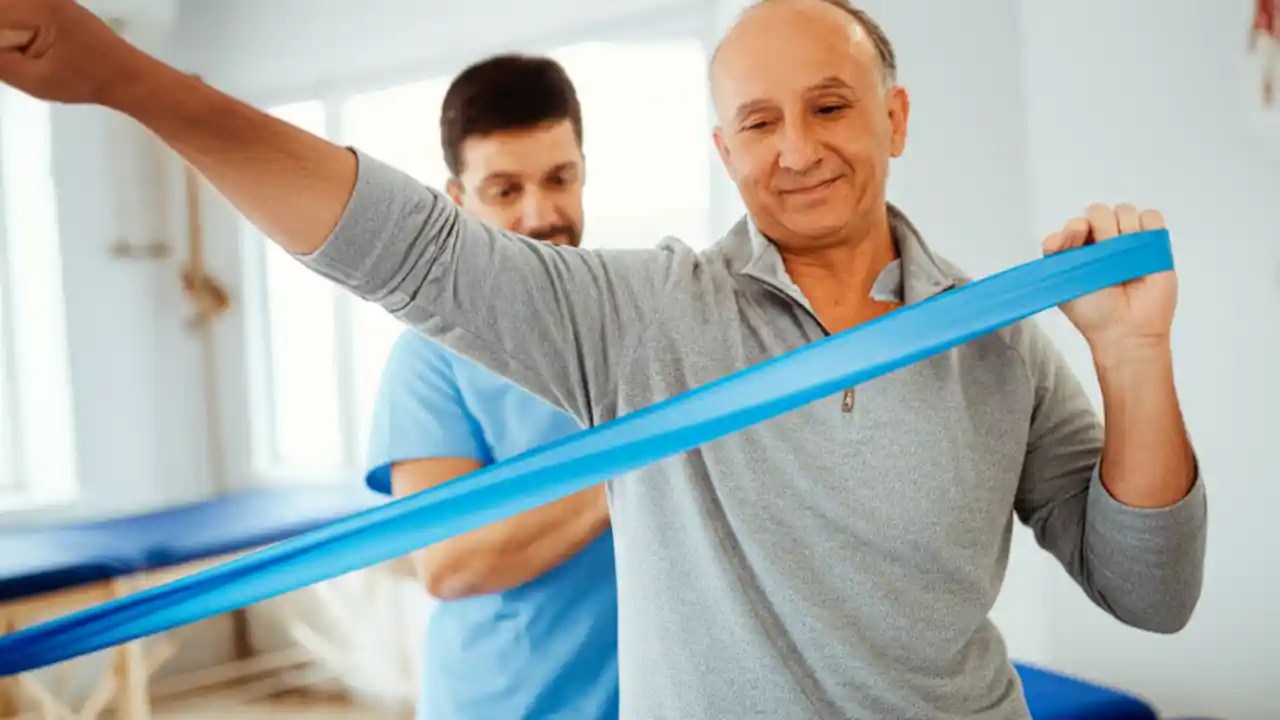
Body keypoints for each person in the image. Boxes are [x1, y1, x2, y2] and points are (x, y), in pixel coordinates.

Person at [0, 1, 1207, 718]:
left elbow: (1149, 595)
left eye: (830, 106)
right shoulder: (642, 317)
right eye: (755, 120)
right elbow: (404, 250)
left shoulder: (994, 334)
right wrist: (126, 79)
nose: (795, 149)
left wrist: (1134, 355)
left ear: (891, 117)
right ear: (720, 147)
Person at [365, 55, 617, 720]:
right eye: (505, 190)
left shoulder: (634, 319)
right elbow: (448, 565)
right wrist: (636, 466)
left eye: (559, 179)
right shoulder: (429, 358)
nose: (540, 215)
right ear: (458, 200)